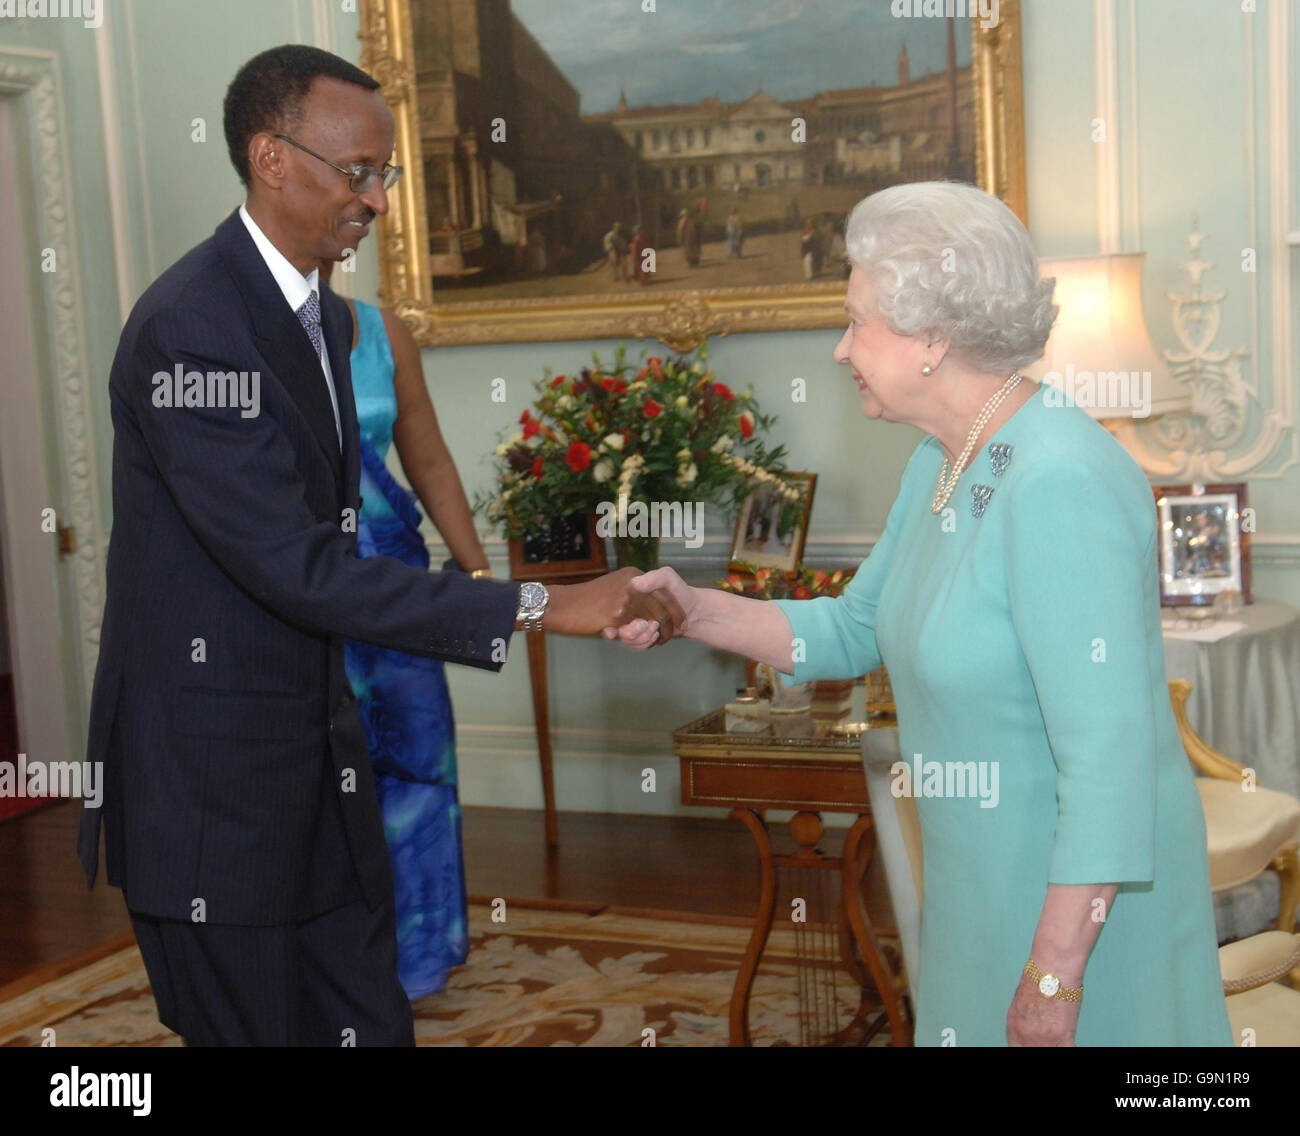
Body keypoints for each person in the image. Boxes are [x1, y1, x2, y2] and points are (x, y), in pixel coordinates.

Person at [79, 44, 680, 1048]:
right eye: (357, 173)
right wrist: (539, 604)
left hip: (321, 766)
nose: (379, 201)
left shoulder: (326, 318)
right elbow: (295, 566)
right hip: (217, 794)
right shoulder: (192, 327)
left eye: (384, 174)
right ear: (271, 159)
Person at [610, 180, 1233, 1047]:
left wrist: (1053, 977)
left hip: (1080, 922)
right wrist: (694, 609)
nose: (839, 349)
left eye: (857, 321)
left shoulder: (1057, 482)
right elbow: (852, 627)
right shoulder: (943, 462)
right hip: (984, 890)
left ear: (934, 338)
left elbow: (1112, 762)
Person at [316, 257, 481, 1001]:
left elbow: (429, 458)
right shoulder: (243, 334)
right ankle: (339, 951)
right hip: (307, 584)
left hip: (396, 582)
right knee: (326, 770)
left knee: (418, 757)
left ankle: (417, 954)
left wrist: (480, 581)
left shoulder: (382, 331)